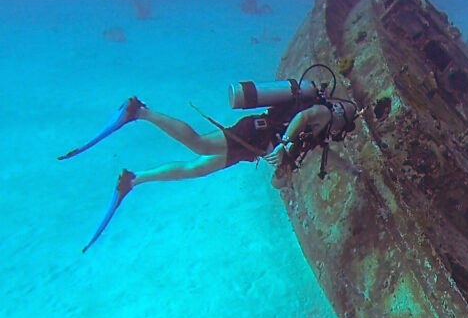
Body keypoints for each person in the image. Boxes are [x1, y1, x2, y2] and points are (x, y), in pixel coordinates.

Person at [59, 94, 357, 252]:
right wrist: (287, 146)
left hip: (252, 148)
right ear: (342, 116)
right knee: (199, 145)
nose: (342, 133)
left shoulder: (321, 137)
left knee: (195, 169)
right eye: (346, 127)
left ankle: (133, 180)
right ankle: (138, 112)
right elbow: (304, 116)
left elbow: (279, 179)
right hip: (254, 133)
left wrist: (288, 173)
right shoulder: (325, 114)